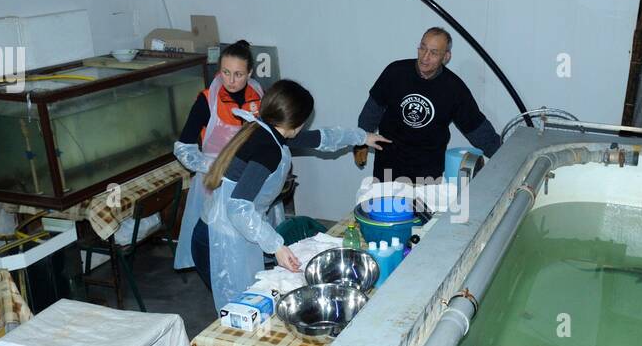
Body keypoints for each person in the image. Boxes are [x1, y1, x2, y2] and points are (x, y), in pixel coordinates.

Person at [197, 79, 388, 309]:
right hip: (220, 237)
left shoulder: (269, 129)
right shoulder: (267, 149)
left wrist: (361, 137)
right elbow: (238, 207)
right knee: (240, 308)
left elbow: (320, 138)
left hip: (231, 228)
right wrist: (276, 246)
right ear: (296, 123)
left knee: (253, 302)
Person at [357, 27, 502, 185]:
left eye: (433, 53)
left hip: (427, 173)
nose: (425, 57)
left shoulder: (454, 89)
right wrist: (361, 141)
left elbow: (478, 131)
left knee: (422, 210)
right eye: (422, 48)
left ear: (446, 57)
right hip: (388, 166)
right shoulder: (395, 73)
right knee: (385, 209)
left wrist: (506, 157)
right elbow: (371, 111)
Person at [173, 41, 264, 272]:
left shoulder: (259, 98)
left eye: (238, 74)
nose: (231, 81)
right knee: (217, 250)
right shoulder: (207, 101)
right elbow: (183, 146)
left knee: (250, 245)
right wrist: (214, 166)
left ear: (250, 73)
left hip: (249, 182)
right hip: (213, 184)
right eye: (225, 72)